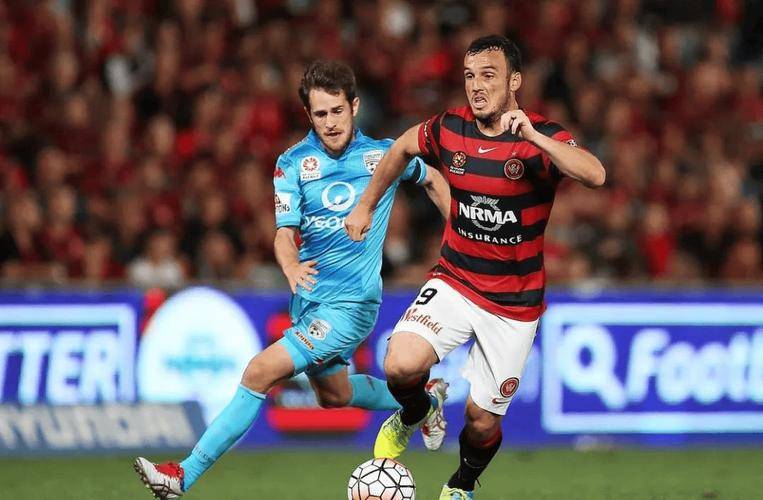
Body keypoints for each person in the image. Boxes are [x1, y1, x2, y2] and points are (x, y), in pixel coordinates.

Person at [133, 60, 451, 498]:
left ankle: (181, 476)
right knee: (334, 396)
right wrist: (289, 267)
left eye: (337, 111)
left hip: (352, 305)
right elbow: (284, 233)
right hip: (309, 300)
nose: (330, 122)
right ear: (308, 115)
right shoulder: (293, 163)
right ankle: (425, 399)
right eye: (320, 114)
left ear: (355, 106)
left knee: (259, 372)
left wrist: (460, 232)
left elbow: (431, 177)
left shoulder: (382, 155)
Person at [344, 35, 606, 499]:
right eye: (470, 76)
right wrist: (366, 204)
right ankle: (418, 410)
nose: (477, 86)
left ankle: (461, 485)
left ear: (514, 81)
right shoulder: (450, 128)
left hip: (514, 304)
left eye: (488, 75)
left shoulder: (540, 136)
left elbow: (595, 174)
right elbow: (401, 147)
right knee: (400, 364)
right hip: (457, 279)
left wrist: (535, 138)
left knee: (481, 422)